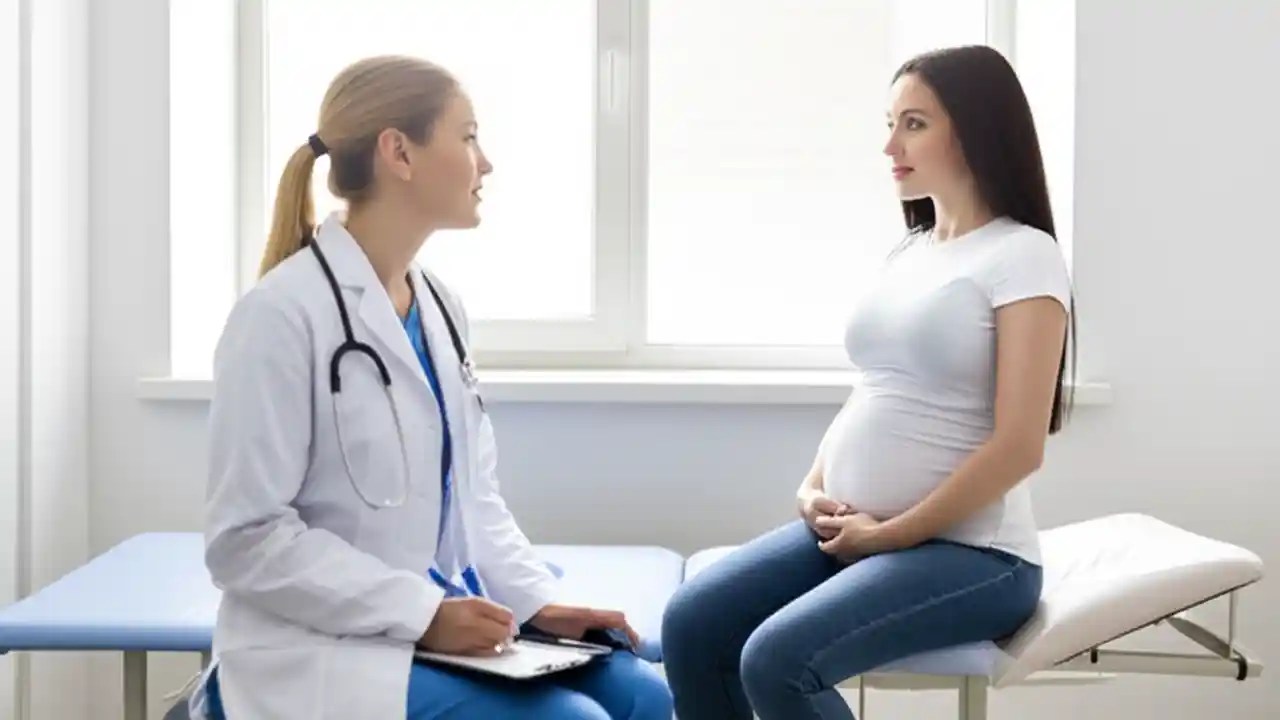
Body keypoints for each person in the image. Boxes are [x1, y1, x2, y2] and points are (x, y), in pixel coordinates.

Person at [187, 55, 673, 720]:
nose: (486, 162)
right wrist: (420, 613)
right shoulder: (278, 316)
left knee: (646, 697)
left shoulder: (439, 306)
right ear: (399, 152)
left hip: (432, 627)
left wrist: (535, 603)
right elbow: (244, 538)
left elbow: (474, 497)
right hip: (316, 650)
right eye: (468, 136)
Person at [660, 44, 1074, 720]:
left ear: (974, 128)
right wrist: (813, 486)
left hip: (975, 556)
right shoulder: (913, 252)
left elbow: (1020, 446)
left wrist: (893, 535)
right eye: (889, 122)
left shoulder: (1024, 254)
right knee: (692, 624)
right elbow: (876, 389)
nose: (890, 145)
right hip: (863, 529)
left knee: (776, 660)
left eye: (913, 123)